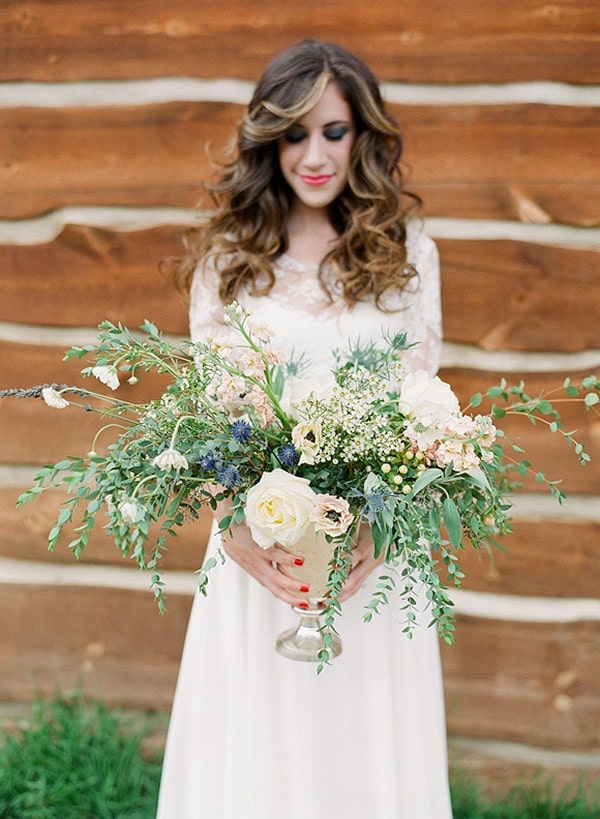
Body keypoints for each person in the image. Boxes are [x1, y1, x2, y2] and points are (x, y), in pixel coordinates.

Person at [157, 40, 453, 818]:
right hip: (262, 551)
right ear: (269, 140)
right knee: (260, 751)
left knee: (364, 746)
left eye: (334, 131)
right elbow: (212, 420)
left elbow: (421, 417)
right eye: (294, 134)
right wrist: (236, 528)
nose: (314, 155)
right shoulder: (228, 260)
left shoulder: (408, 255)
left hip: (370, 555)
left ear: (363, 136)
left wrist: (380, 532)